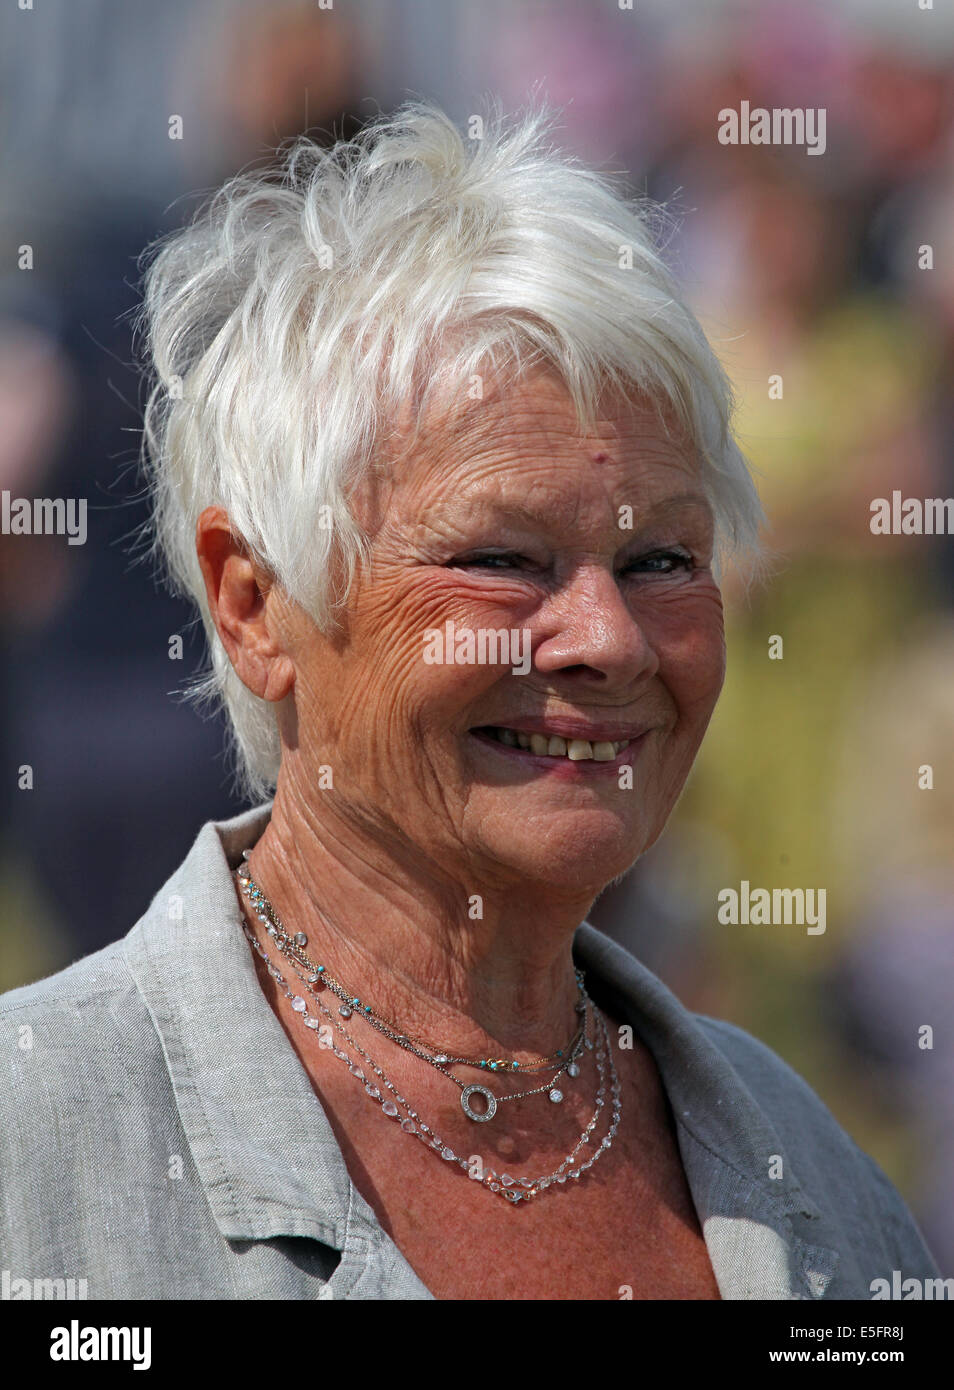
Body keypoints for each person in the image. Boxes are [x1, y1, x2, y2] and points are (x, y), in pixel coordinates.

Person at [0, 103, 940, 1300]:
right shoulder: (40, 1159)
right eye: (502, 558)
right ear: (252, 603)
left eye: (662, 561)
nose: (607, 638)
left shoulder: (812, 1184)